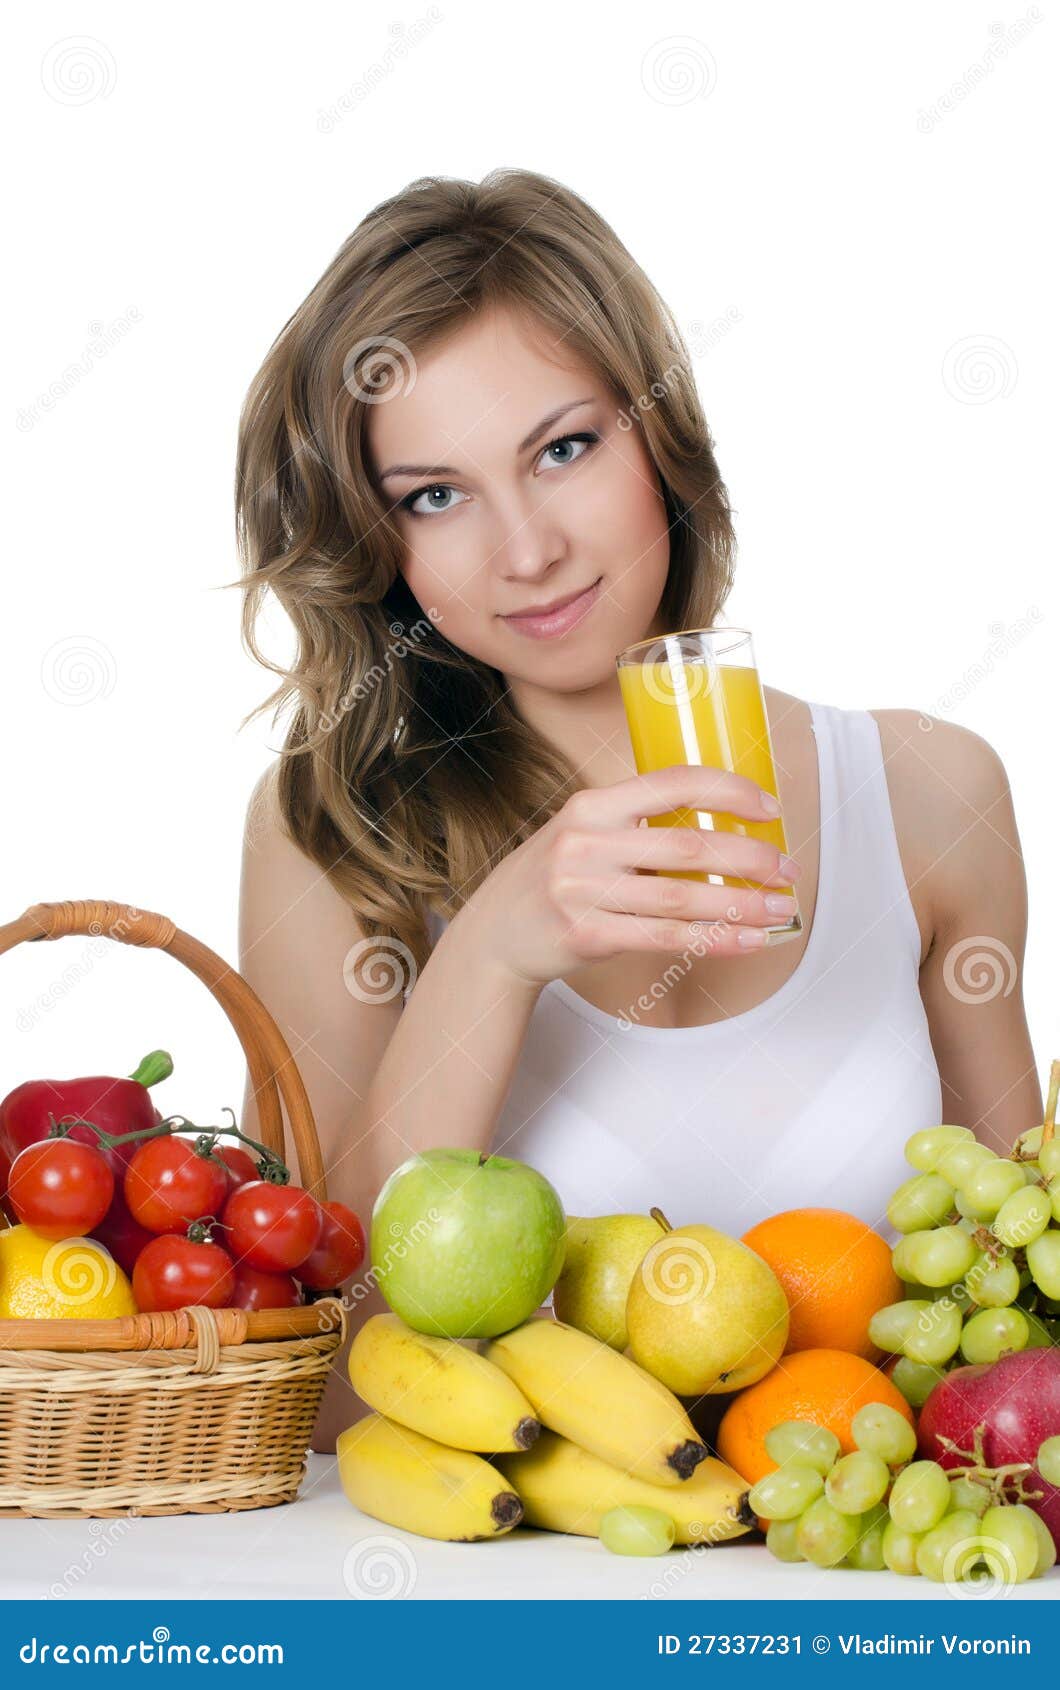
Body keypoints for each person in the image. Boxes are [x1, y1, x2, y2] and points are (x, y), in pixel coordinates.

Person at [232, 168, 1039, 1452]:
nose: (528, 550)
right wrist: (490, 955)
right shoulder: (335, 839)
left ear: (657, 436)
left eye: (564, 449)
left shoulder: (930, 791)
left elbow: (1025, 1312)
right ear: (380, 545)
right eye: (434, 494)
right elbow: (327, 1387)